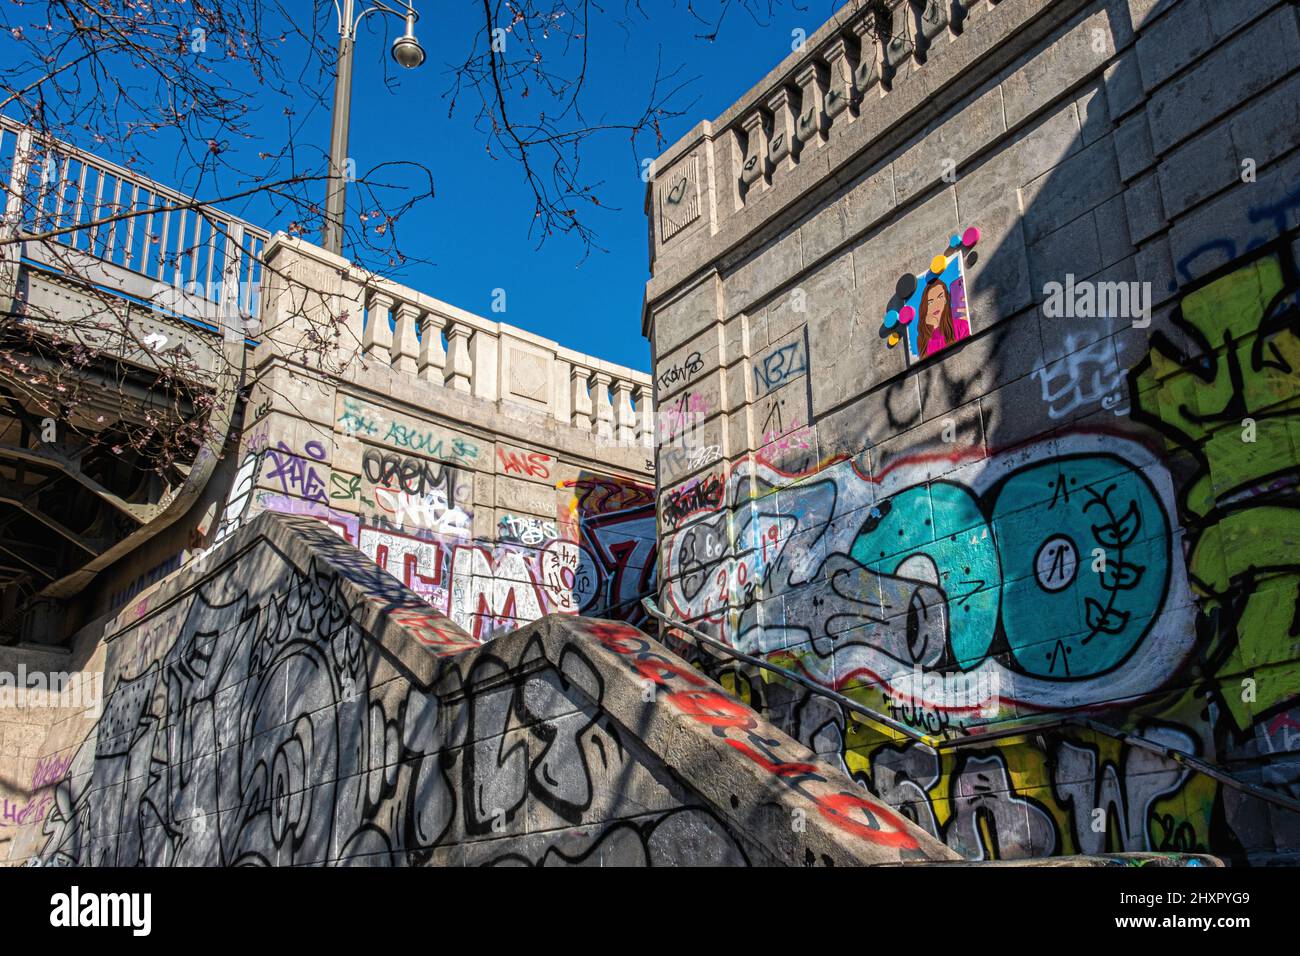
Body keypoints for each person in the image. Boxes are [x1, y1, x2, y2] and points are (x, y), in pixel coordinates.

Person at [915, 276, 970, 358]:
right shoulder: (923, 339)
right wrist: (933, 328)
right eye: (930, 302)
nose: (936, 305)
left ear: (946, 299)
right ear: (925, 307)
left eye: (940, 297)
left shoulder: (960, 325)